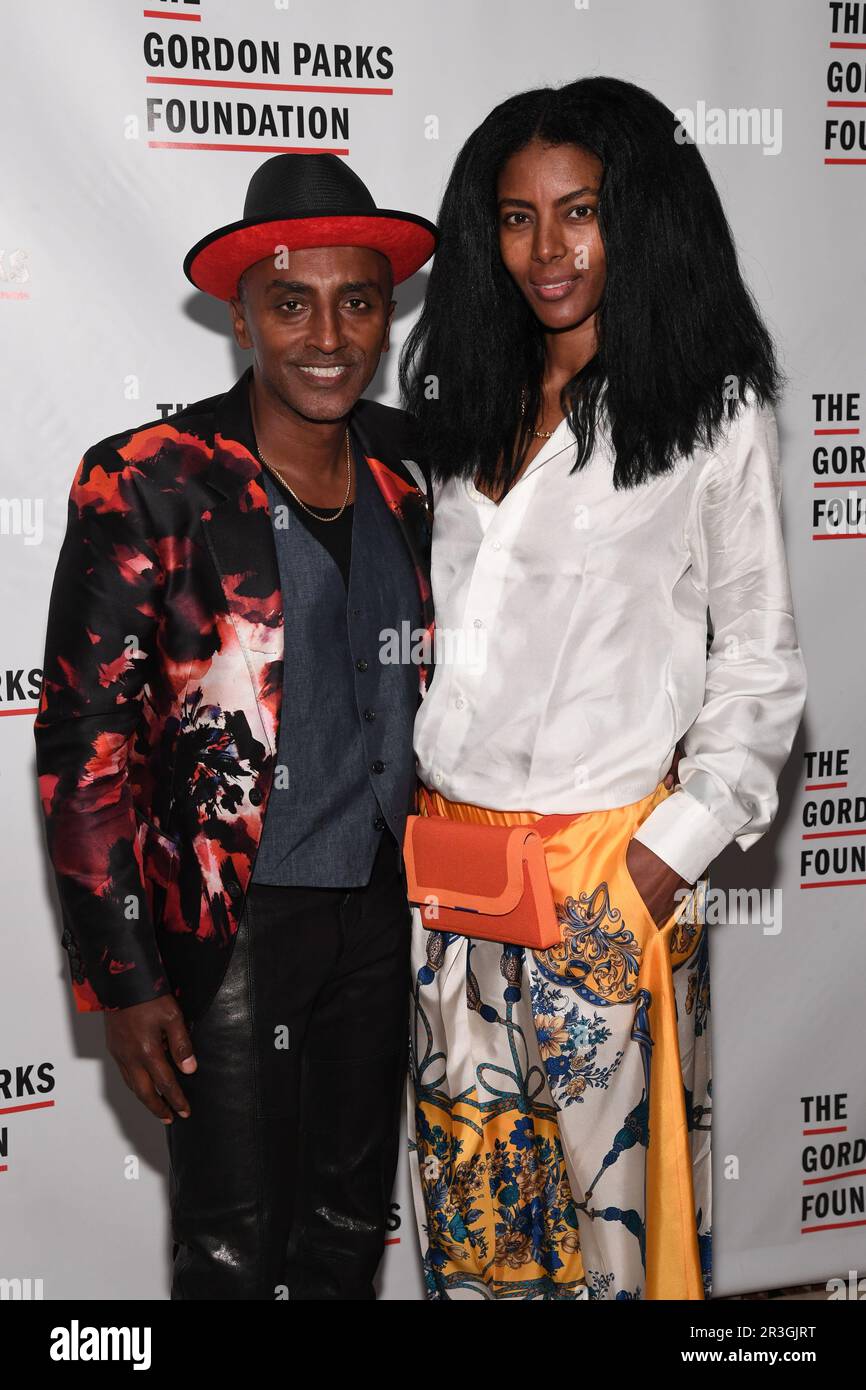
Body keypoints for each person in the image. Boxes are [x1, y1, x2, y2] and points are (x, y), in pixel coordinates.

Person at [399, 76, 807, 1301]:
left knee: (616, 1251)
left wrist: (660, 860)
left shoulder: (708, 413)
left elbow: (757, 663)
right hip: (453, 877)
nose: (547, 250)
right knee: (475, 1236)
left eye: (578, 212)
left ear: (639, 218)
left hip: (604, 874)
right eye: (516, 218)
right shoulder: (459, 410)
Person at [33, 152, 436, 1300]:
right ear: (240, 311)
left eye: (356, 301)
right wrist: (124, 976)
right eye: (289, 302)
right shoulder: (151, 480)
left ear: (386, 311)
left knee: (347, 1226)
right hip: (228, 928)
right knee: (230, 1243)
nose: (326, 333)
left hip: (380, 911)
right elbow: (83, 743)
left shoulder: (418, 468)